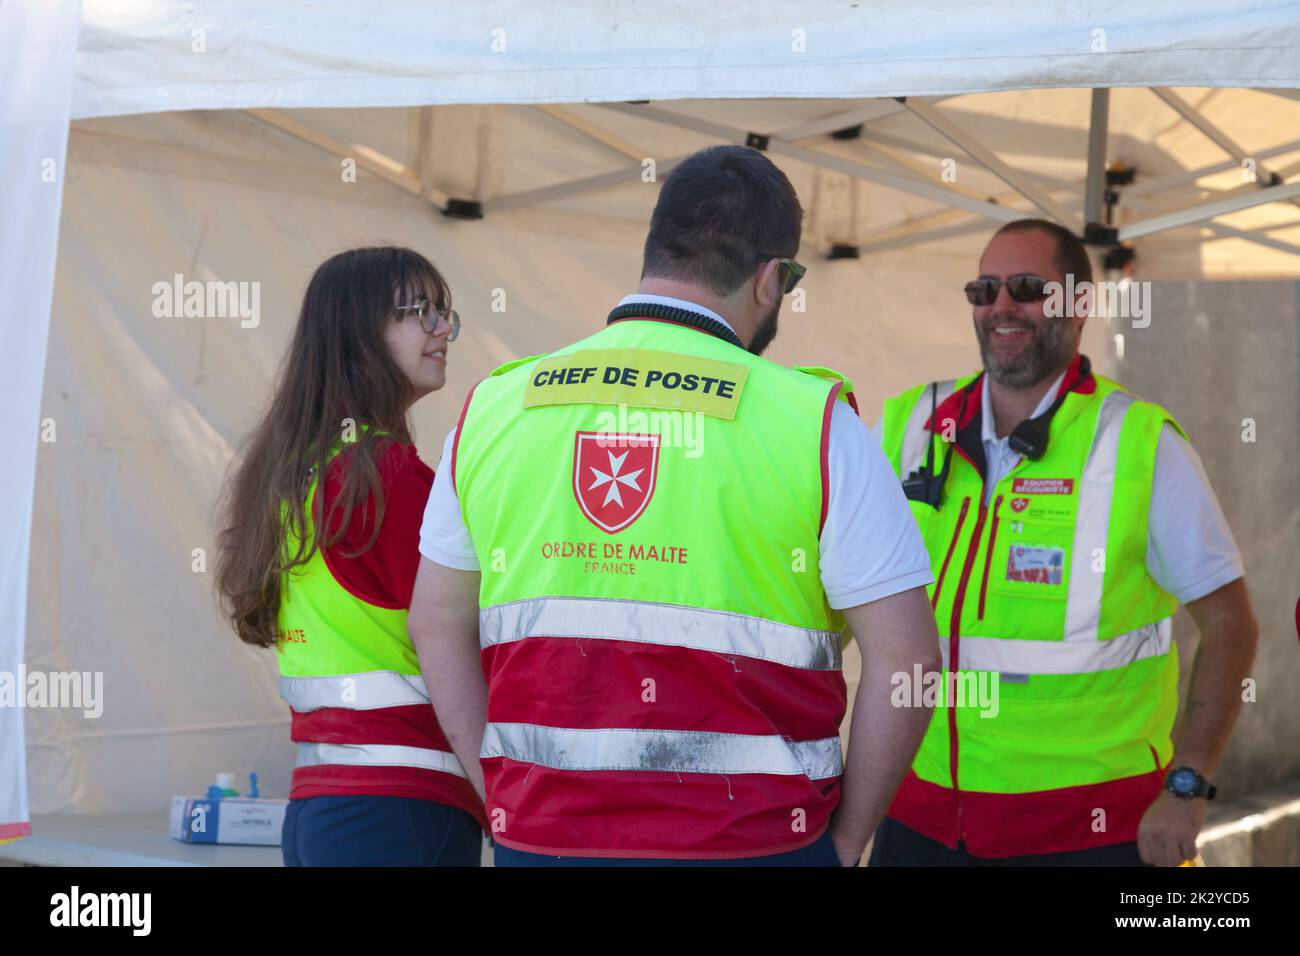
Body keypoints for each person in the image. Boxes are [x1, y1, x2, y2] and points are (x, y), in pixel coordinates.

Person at [409, 145, 941, 866]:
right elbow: (907, 658)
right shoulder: (814, 423)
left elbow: (435, 623)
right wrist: (846, 842)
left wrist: (501, 794)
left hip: (543, 840)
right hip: (753, 846)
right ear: (768, 280)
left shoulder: (497, 406)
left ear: (656, 249)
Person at [870, 219, 1259, 867]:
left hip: (1087, 829)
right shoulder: (909, 423)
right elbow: (846, 594)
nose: (1000, 307)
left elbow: (1230, 624)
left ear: (1080, 305)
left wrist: (1188, 784)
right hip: (922, 815)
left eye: (1026, 287)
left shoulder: (1138, 442)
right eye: (983, 289)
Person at [216, 246, 486, 866]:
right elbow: (469, 628)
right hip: (404, 807)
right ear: (360, 330)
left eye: (446, 312)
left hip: (321, 806)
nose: (443, 328)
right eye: (421, 311)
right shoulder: (382, 475)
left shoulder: (293, 473)